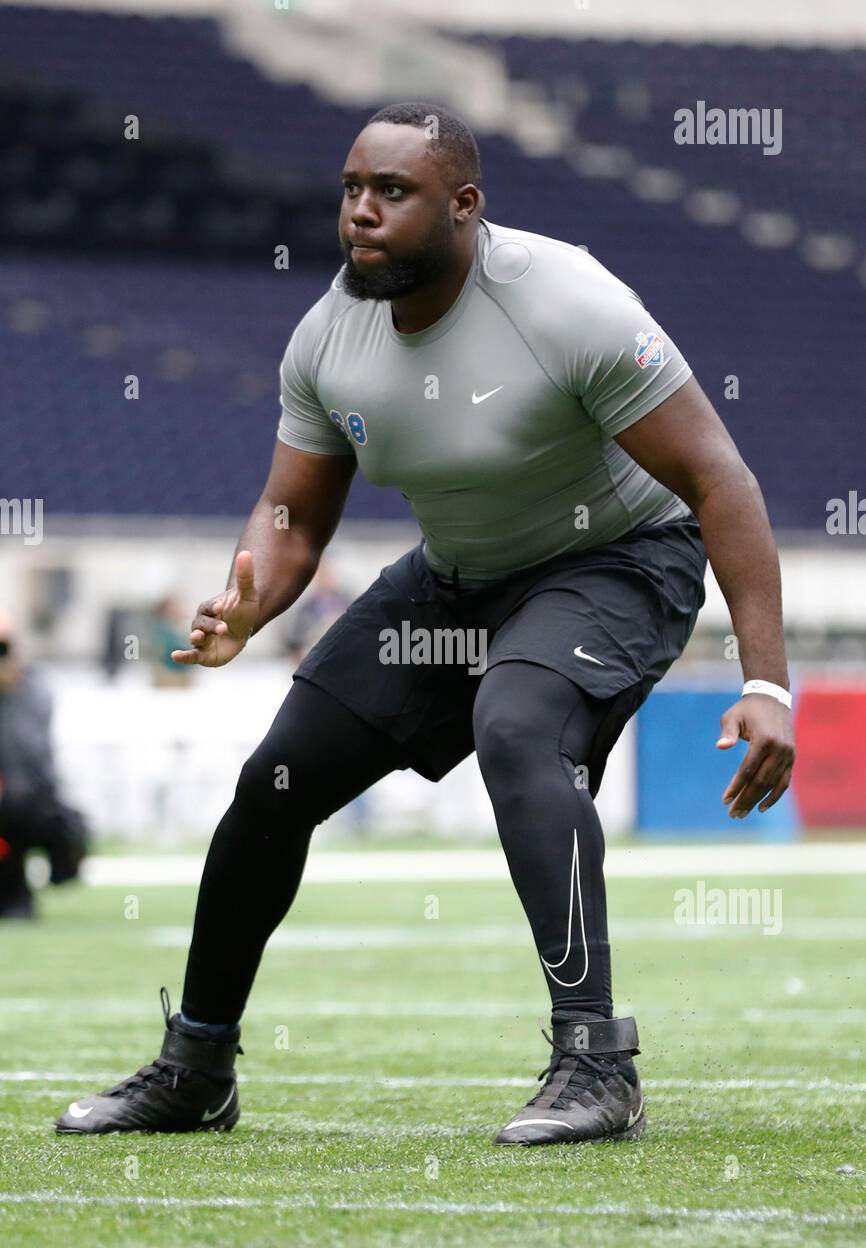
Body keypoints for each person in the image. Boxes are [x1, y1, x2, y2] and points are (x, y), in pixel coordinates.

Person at [57, 102, 794, 1143]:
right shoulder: (328, 335)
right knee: (276, 778)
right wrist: (248, 601)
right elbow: (292, 514)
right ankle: (196, 1067)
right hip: (458, 578)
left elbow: (719, 479)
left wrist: (763, 682)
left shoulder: (564, 300)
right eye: (352, 189)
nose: (360, 212)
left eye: (390, 192)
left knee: (518, 723)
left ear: (464, 205)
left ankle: (595, 1064)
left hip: (618, 559)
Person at [0, 610, 89, 919]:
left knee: (66, 826)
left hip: (27, 801)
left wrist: (11, 692)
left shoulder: (32, 686)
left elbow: (31, 746)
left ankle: (26, 887)